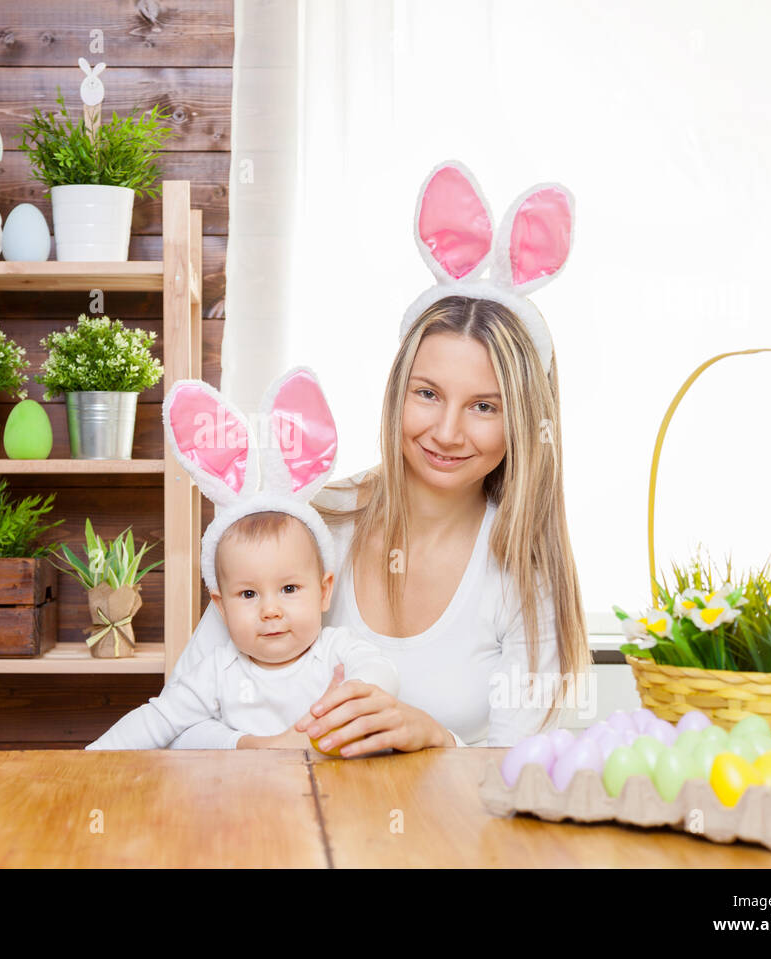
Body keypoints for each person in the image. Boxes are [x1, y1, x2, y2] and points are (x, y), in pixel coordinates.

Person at [167, 159, 592, 754]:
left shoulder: (525, 572)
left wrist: (435, 740)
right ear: (397, 393)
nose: (446, 432)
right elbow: (175, 723)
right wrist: (256, 750)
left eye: (485, 407)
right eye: (427, 394)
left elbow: (521, 773)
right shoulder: (314, 524)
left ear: (523, 423)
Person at [87, 368, 398, 750]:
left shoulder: (335, 653)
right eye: (248, 595)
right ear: (220, 605)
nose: (270, 610)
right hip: (241, 804)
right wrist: (88, 762)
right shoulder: (218, 672)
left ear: (323, 592)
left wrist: (352, 695)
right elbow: (158, 720)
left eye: (288, 588)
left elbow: (382, 671)